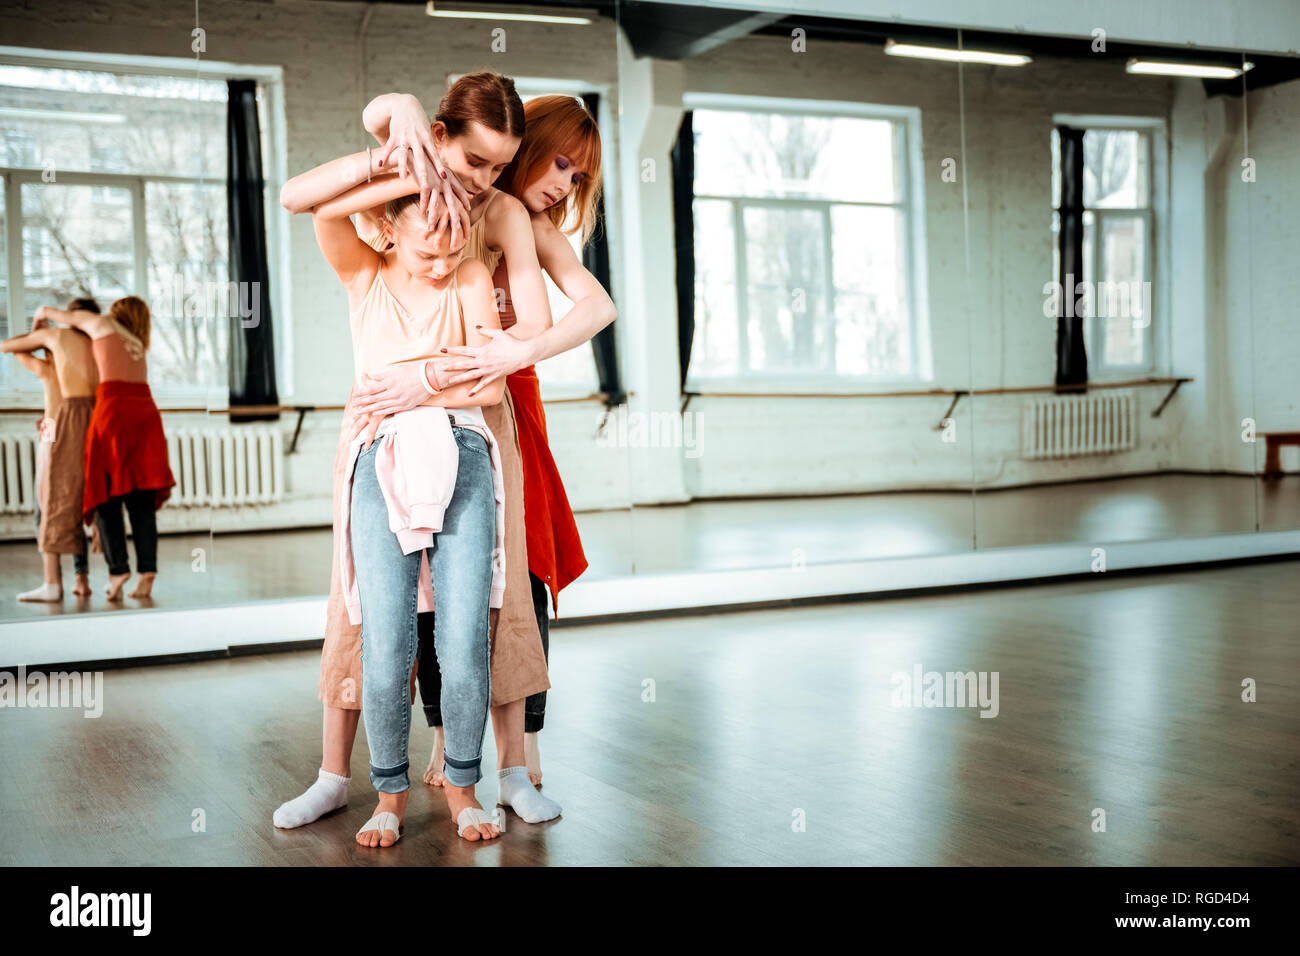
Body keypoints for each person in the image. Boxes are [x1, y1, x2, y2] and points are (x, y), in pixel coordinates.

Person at [273, 72, 563, 834]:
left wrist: (420, 380)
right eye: (476, 163)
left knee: (480, 618)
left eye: (501, 167)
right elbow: (301, 199)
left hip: (468, 434)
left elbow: (514, 344)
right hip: (382, 443)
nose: (486, 182)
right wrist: (392, 140)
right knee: (373, 622)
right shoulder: (377, 253)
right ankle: (358, 781)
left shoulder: (486, 231)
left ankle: (489, 776)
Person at [357, 91, 614, 789]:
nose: (565, 184)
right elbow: (372, 136)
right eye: (561, 163)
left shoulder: (526, 225)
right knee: (439, 584)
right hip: (429, 412)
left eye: (578, 177)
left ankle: (522, 751)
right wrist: (403, 106)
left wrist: (514, 354)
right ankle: (446, 736)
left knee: (521, 580)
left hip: (507, 412)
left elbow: (596, 306)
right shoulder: (448, 201)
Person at [41, 297, 175, 600]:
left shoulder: (104, 325)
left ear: (117, 312)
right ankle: (147, 572)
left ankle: (118, 571)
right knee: (141, 497)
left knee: (103, 492)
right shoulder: (138, 342)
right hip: (146, 414)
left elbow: (71, 318)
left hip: (115, 411)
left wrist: (42, 312)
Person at [1, 297, 100, 601]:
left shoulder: (49, 366)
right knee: (77, 507)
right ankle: (81, 580)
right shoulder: (95, 354)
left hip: (55, 432)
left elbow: (13, 348)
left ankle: (51, 581)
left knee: (46, 508)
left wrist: (38, 329)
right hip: (87, 427)